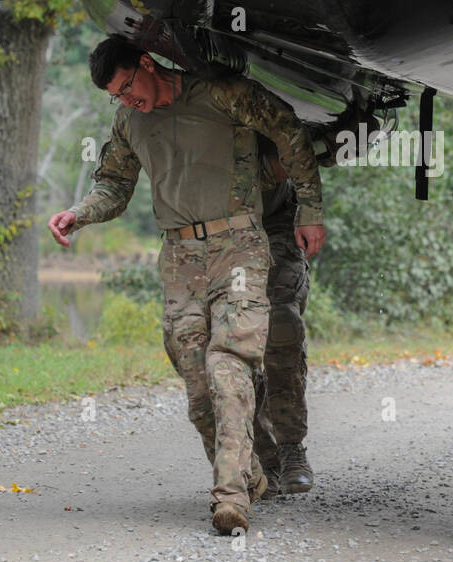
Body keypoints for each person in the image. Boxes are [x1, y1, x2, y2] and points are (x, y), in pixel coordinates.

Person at [47, 37, 324, 535]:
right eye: (118, 95)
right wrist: (79, 214)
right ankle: (251, 472)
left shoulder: (221, 94)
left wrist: (310, 212)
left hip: (239, 242)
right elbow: (114, 184)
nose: (129, 99)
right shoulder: (131, 121)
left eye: (129, 86)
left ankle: (231, 497)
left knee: (228, 365)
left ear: (148, 64)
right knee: (199, 392)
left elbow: (290, 134)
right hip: (179, 257)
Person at [251, 147, 315, 496]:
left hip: (276, 225)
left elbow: (311, 148)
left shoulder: (263, 103)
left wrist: (312, 211)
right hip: (213, 233)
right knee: (225, 343)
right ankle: (262, 454)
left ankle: (291, 447)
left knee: (281, 324)